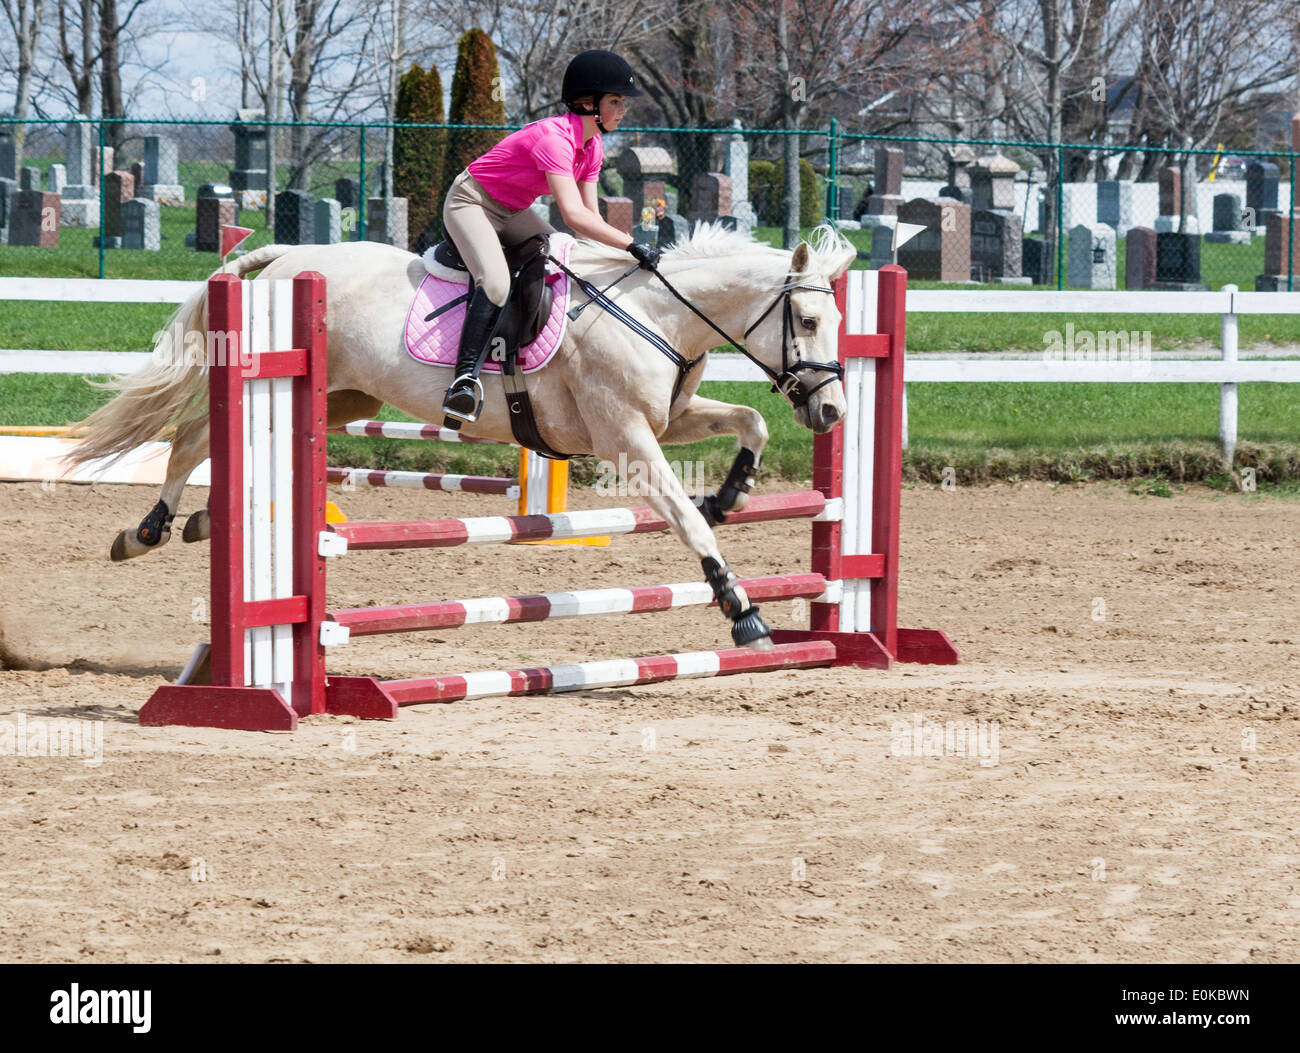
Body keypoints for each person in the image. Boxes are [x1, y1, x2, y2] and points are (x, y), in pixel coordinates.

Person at [440, 49, 662, 425]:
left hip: (511, 211)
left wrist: (626, 252)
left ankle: (530, 356)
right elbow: (573, 213)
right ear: (588, 104)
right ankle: (463, 381)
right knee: (494, 283)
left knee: (561, 254)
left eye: (622, 102)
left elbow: (587, 220)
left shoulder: (592, 146)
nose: (623, 109)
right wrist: (630, 244)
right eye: (615, 101)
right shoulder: (555, 140)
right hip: (471, 202)